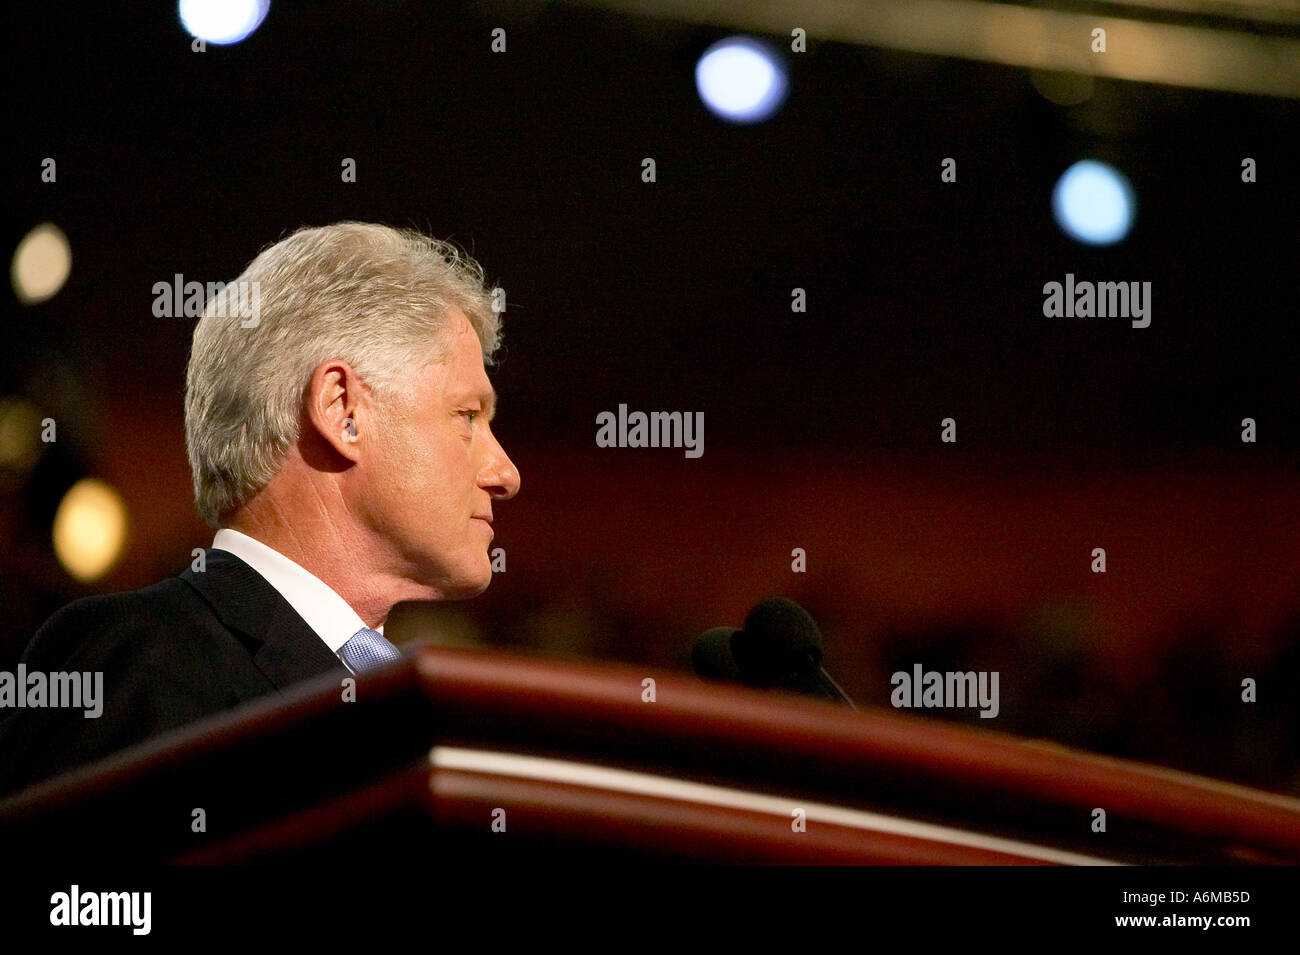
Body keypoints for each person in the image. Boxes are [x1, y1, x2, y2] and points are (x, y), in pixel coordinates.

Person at [0, 222, 521, 796]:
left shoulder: (424, 717)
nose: (506, 474)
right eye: (467, 416)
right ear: (342, 410)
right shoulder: (148, 664)